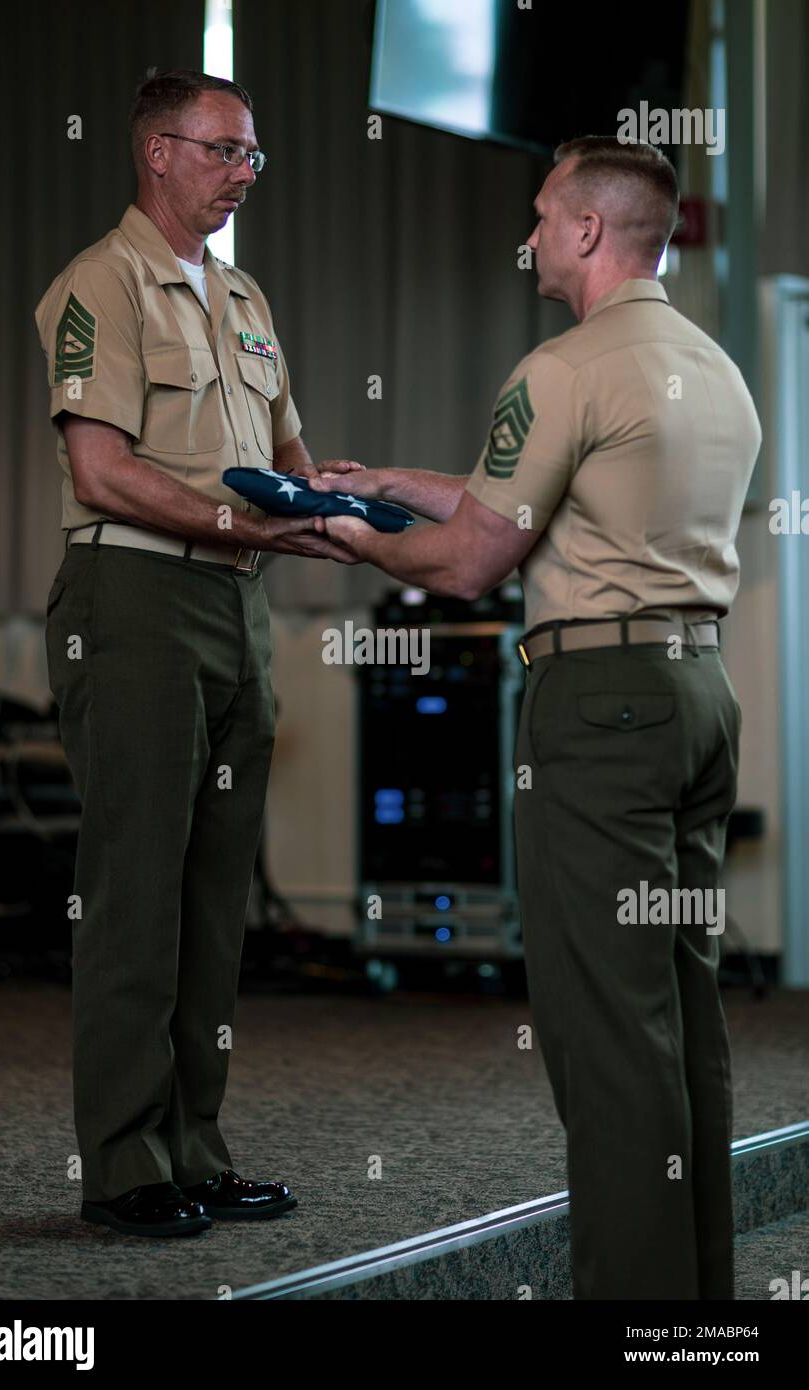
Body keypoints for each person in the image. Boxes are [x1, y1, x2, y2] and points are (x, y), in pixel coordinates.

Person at [315, 136, 762, 1300]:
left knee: (604, 1029)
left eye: (538, 214)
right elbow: (533, 495)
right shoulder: (710, 368)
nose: (526, 234)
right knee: (676, 1008)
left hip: (598, 710)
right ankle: (695, 1301)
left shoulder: (560, 367)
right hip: (694, 698)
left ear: (582, 233)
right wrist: (391, 483)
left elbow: (469, 563)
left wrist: (353, 534)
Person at [36, 68, 357, 1238]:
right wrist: (248, 524)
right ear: (156, 154)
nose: (243, 173)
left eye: (253, 156)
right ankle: (124, 1166)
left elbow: (287, 455)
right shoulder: (98, 285)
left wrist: (357, 507)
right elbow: (102, 471)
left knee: (214, 899)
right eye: (224, 151)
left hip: (235, 607)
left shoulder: (246, 297)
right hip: (131, 597)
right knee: (136, 897)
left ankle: (193, 1146)